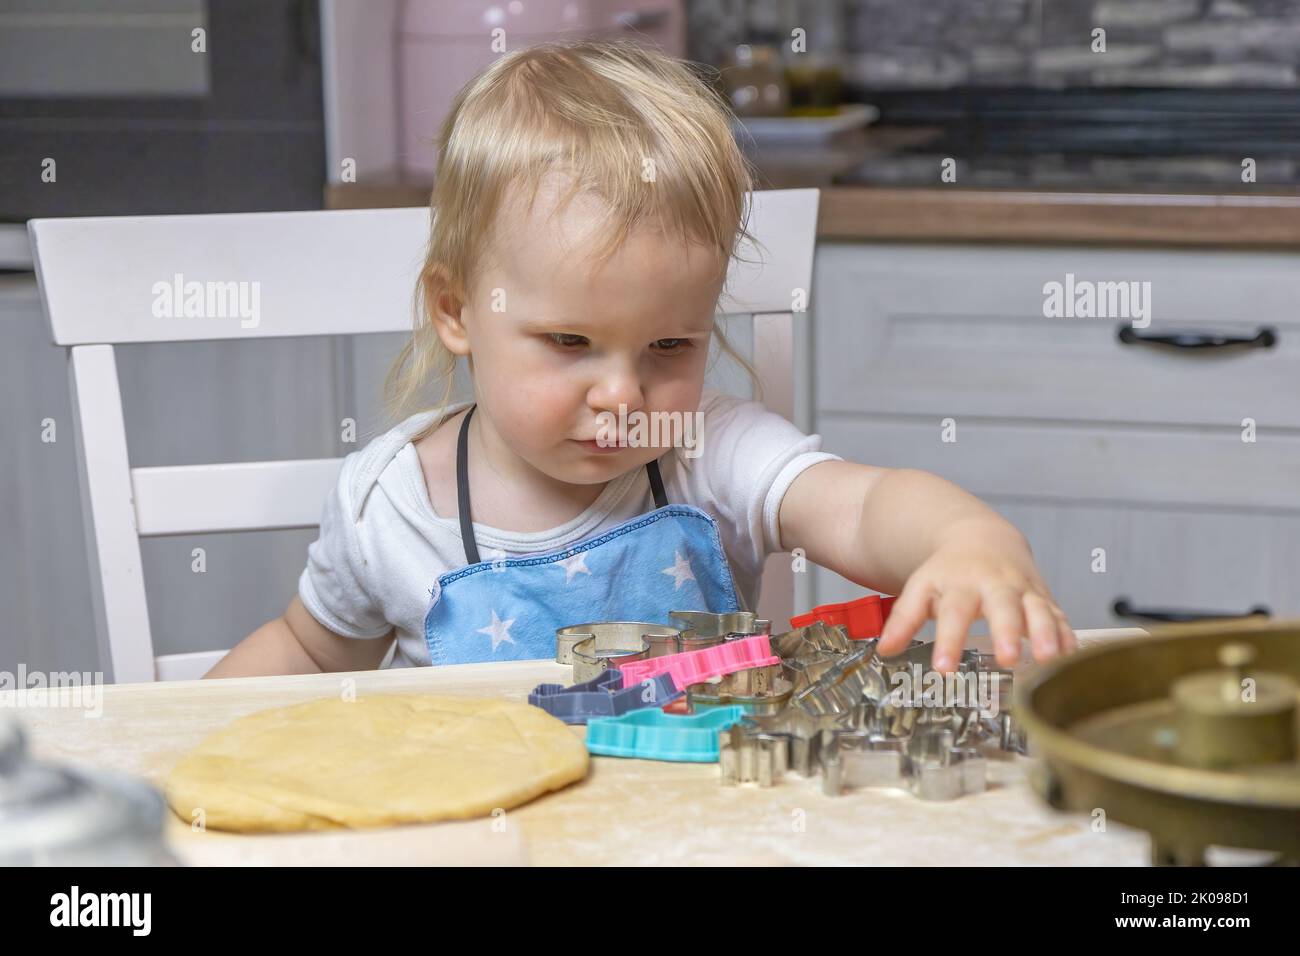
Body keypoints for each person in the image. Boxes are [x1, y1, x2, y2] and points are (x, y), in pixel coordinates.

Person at [207, 39, 1075, 679]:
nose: (624, 394)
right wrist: (161, 754)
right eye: (571, 343)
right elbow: (309, 652)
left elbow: (864, 507)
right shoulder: (390, 507)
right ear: (456, 311)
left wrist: (965, 538)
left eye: (669, 345)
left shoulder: (710, 452)